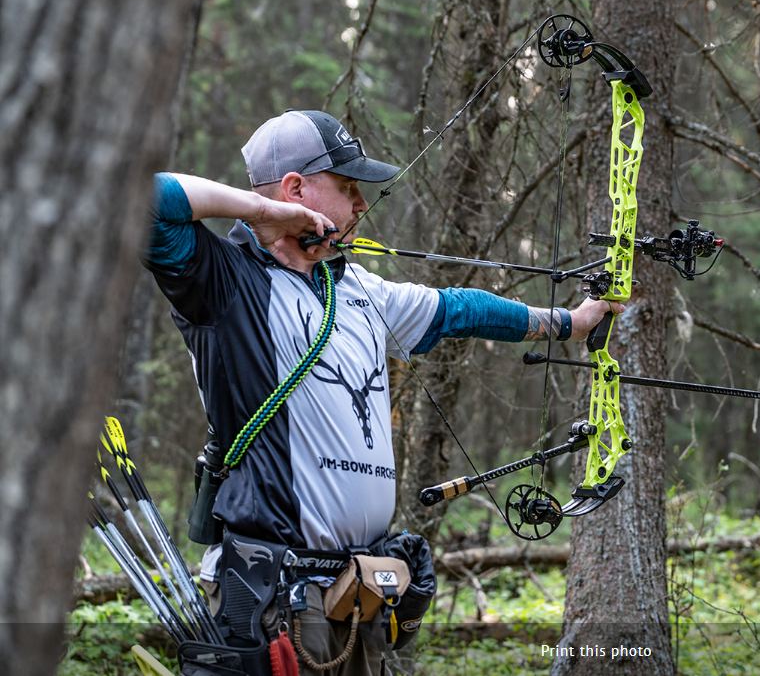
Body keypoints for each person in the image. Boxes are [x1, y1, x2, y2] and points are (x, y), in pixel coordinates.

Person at [142, 109, 622, 675]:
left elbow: (459, 309)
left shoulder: (359, 288)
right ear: (296, 188)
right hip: (272, 600)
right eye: (348, 188)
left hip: (358, 596)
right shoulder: (223, 281)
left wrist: (569, 323)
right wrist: (267, 212)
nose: (361, 205)